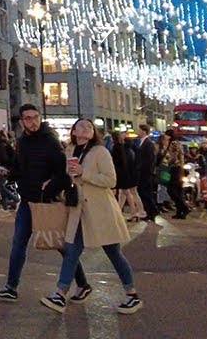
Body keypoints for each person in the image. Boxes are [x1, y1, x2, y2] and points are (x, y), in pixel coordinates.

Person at [0, 104, 90, 303]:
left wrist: (50, 187)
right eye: (28, 118)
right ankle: (11, 287)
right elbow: (21, 167)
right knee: (19, 243)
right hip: (27, 201)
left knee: (58, 243)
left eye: (35, 117)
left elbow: (63, 173)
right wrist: (10, 173)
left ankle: (83, 283)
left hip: (45, 201)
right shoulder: (22, 142)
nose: (33, 122)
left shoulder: (50, 140)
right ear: (21, 122)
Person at [41, 118, 143, 315]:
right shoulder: (70, 150)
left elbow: (111, 180)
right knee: (71, 250)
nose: (86, 128)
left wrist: (84, 172)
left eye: (90, 126)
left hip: (100, 210)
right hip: (78, 209)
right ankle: (60, 293)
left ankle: (132, 294)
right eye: (82, 125)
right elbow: (67, 177)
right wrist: (54, 183)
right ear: (73, 131)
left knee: (113, 252)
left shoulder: (100, 151)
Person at [159, 131, 188, 219]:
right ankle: (180, 211)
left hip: (175, 169)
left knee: (172, 190)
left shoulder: (173, 143)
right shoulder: (176, 143)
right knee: (178, 191)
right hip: (177, 169)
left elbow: (173, 157)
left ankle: (184, 207)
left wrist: (166, 162)